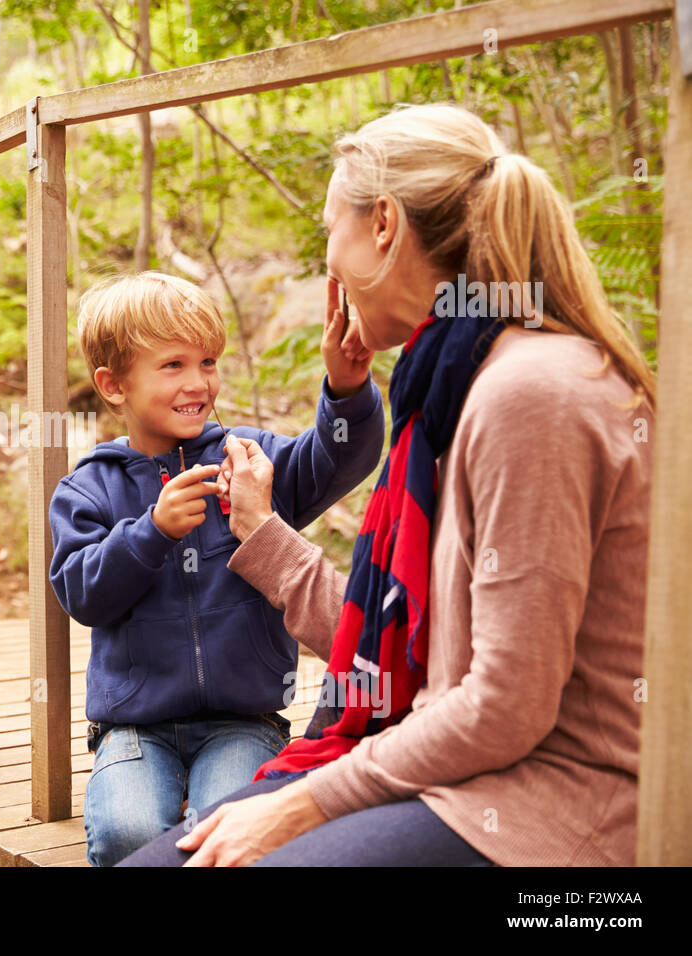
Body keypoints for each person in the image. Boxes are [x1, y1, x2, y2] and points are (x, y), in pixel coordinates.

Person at [117, 103, 655, 867]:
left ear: (384, 227)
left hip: (552, 806)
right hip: (457, 767)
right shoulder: (455, 390)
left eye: (329, 231)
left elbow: (506, 706)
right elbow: (400, 643)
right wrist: (265, 536)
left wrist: (305, 802)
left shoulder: (529, 393)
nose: (326, 264)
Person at [48, 270, 385, 866]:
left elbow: (337, 458)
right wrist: (150, 531)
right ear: (113, 385)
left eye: (208, 362)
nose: (198, 381)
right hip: (134, 728)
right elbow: (82, 595)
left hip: (242, 719)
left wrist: (347, 387)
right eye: (172, 365)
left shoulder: (248, 459)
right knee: (126, 833)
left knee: (227, 830)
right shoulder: (88, 491)